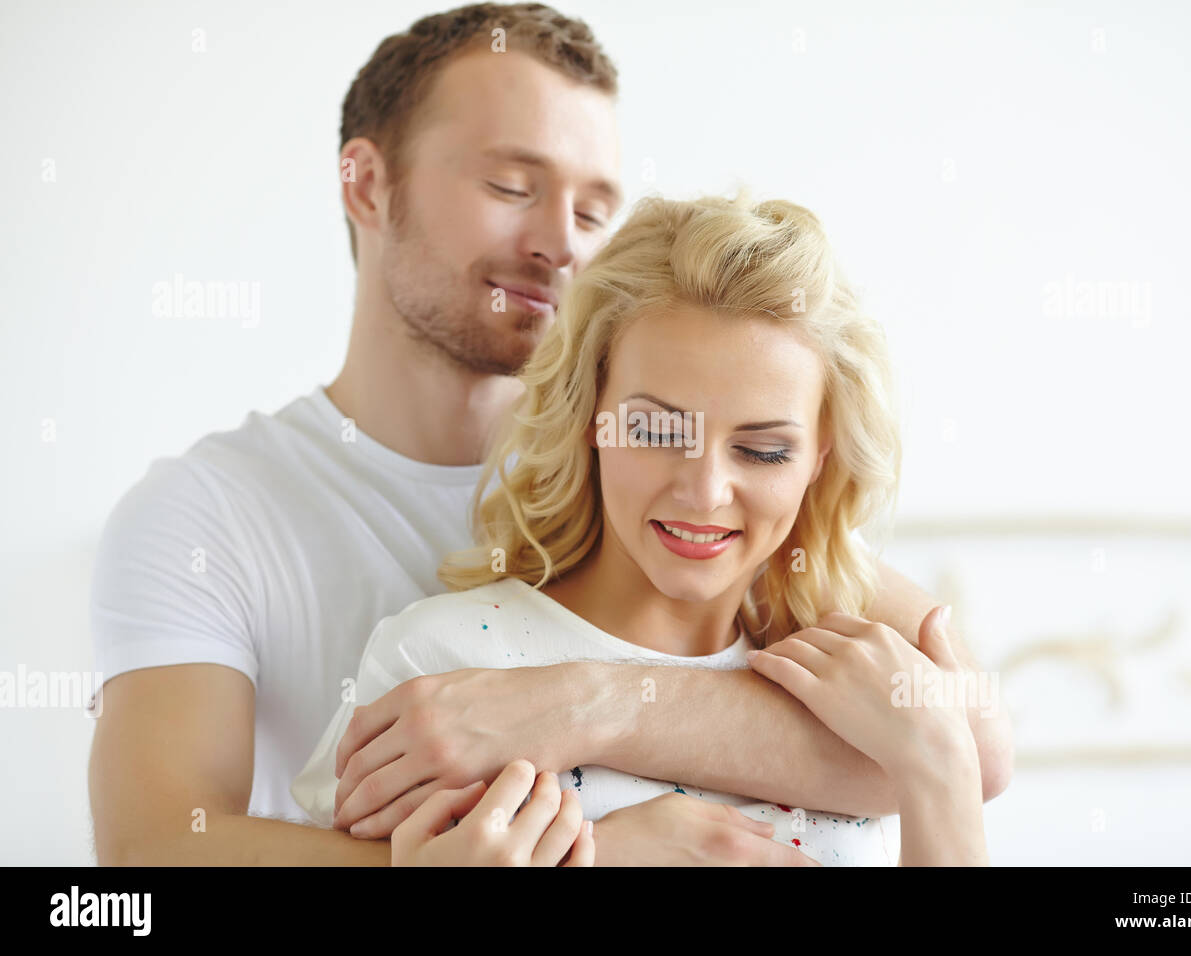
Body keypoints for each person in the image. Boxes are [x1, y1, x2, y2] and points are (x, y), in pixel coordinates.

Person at [88, 3, 1012, 866]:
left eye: (592, 209)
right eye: (510, 184)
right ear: (367, 184)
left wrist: (587, 703)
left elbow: (964, 748)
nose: (562, 243)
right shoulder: (211, 514)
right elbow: (157, 852)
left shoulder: (706, 495)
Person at [293, 191, 988, 866]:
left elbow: (979, 756)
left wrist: (943, 762)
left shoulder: (858, 693)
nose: (704, 491)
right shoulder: (441, 665)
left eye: (763, 450)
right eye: (656, 429)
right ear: (590, 412)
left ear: (818, 459)